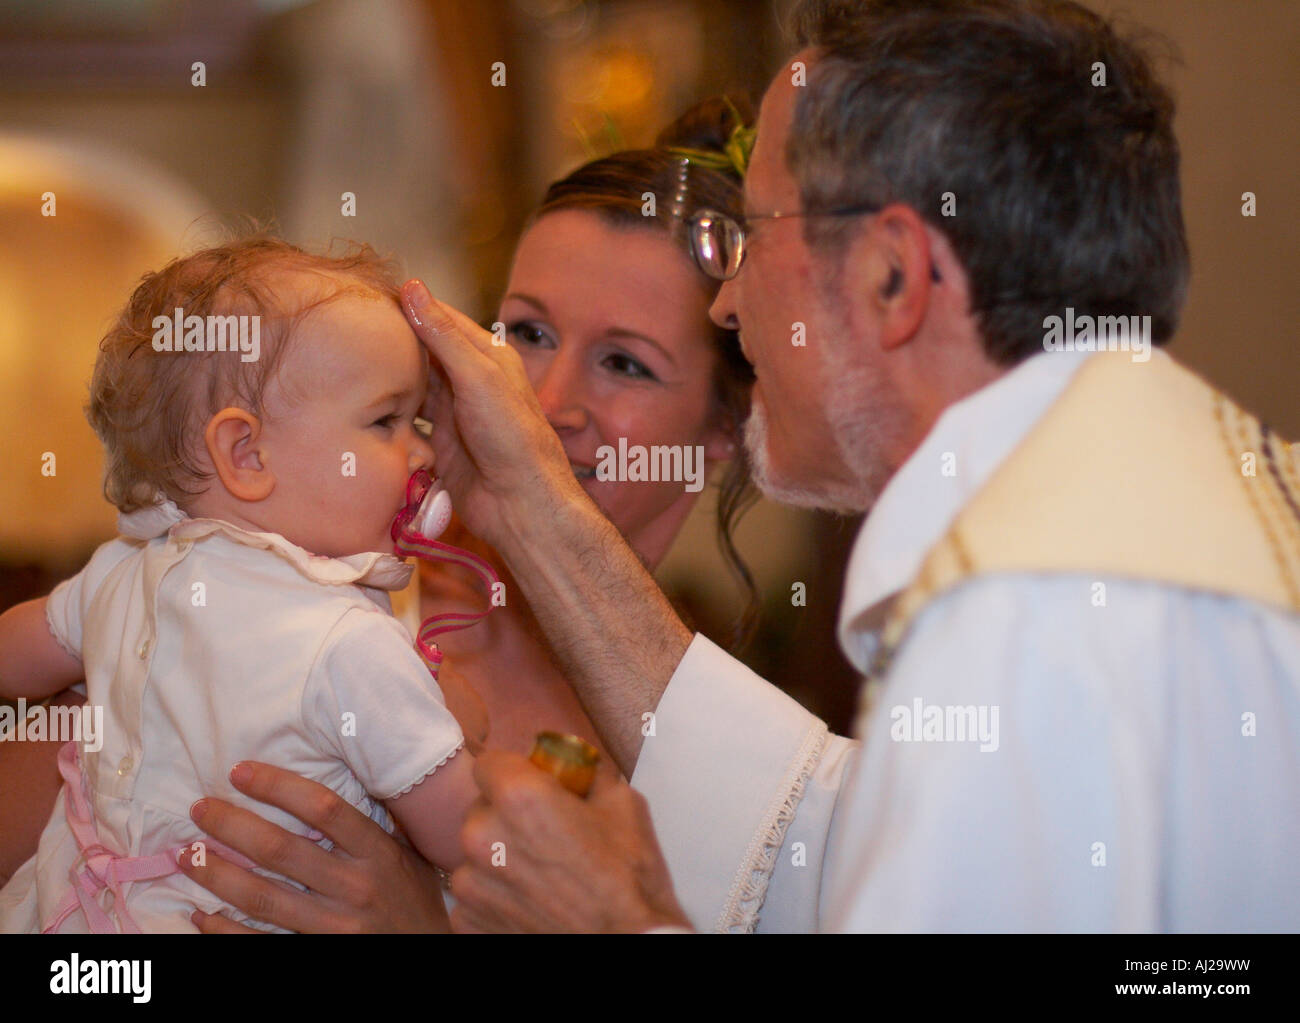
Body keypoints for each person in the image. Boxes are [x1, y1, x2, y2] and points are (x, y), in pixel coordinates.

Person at [151, 0, 1300, 933]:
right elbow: (822, 837)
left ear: (894, 279)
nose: (730, 300)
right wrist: (533, 510)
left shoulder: (1030, 609)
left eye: (751, 237)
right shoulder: (1136, 511)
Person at [0, 98, 761, 931]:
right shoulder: (283, 572)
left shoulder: (714, 760)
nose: (543, 401)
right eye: (527, 333)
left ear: (729, 429)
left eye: (625, 363)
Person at [0, 237, 481, 932]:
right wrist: (469, 749)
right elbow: (465, 840)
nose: (425, 451)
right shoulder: (353, 645)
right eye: (387, 420)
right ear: (246, 454)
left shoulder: (120, 573)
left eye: (421, 422)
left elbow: (16, 651)